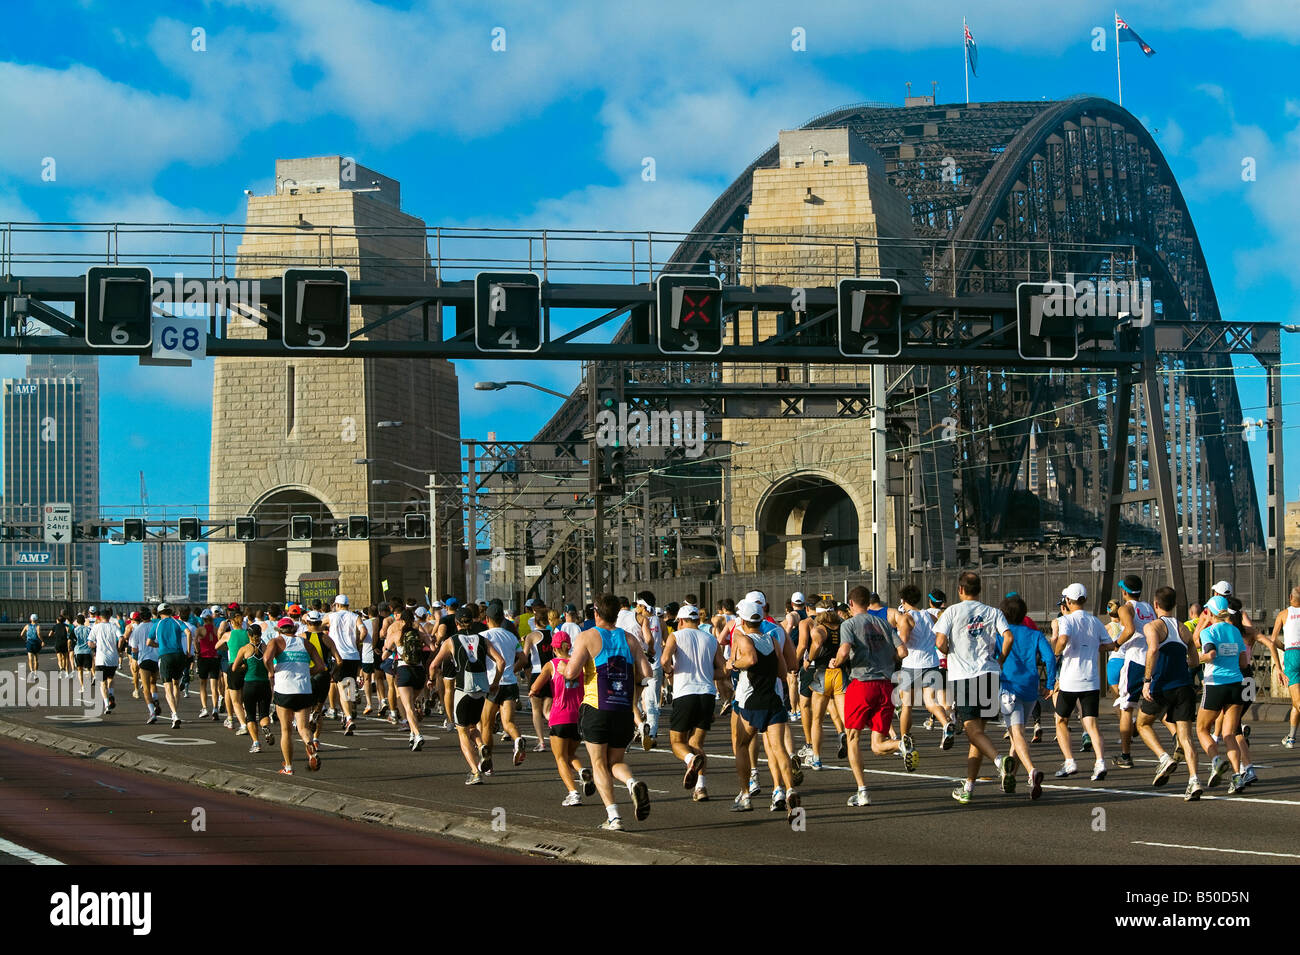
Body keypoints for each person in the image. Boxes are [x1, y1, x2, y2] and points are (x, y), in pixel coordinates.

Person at [562, 593, 654, 831]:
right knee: (616, 762)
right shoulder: (629, 639)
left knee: (599, 764)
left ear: (596, 613)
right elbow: (647, 672)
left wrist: (563, 667)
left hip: (597, 707)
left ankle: (614, 817)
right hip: (623, 709)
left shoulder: (587, 637)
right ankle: (632, 782)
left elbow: (571, 673)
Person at [933, 572, 1017, 804]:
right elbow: (1008, 637)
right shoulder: (993, 612)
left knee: (972, 731)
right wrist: (1000, 659)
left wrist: (950, 651)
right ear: (979, 589)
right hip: (990, 674)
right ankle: (969, 786)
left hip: (965, 676)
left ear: (960, 589)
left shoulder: (951, 611)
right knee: (978, 734)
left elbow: (939, 642)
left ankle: (1000, 761)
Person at [833, 586, 915, 809]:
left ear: (851, 603)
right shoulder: (883, 624)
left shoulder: (849, 624)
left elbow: (843, 651)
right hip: (886, 685)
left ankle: (862, 791)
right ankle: (901, 745)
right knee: (878, 745)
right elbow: (903, 652)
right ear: (868, 602)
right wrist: (885, 661)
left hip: (862, 684)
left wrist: (836, 662)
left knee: (852, 738)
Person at [729, 599, 802, 820]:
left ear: (742, 619)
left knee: (741, 745)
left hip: (751, 701)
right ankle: (788, 789)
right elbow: (783, 672)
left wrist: (734, 664)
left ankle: (745, 795)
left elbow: (749, 659)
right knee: (778, 749)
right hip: (774, 700)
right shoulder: (772, 638)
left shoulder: (741, 637)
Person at [1138, 587, 1202, 799]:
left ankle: (1164, 757)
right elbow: (1194, 660)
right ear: (1174, 605)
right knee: (1186, 737)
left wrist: (1147, 681)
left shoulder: (1152, 626)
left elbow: (1153, 650)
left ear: (1156, 605)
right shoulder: (1184, 629)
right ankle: (1194, 781)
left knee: (1142, 724)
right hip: (1184, 686)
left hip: (1162, 686)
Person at [429, 606, 505, 784]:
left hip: (463, 688)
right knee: (472, 726)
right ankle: (482, 746)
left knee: (461, 730)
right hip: (482, 689)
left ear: (456, 624)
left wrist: (431, 680)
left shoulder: (451, 641)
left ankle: (475, 771)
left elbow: (433, 665)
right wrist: (495, 683)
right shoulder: (482, 639)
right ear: (472, 621)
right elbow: (501, 661)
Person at [1051, 583, 1115, 782]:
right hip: (1091, 680)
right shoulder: (1095, 621)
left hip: (1070, 680)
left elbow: (1062, 640)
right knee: (1091, 723)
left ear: (1068, 601)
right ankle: (1100, 762)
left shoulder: (1066, 620)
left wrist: (1056, 649)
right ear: (1084, 600)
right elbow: (1108, 645)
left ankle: (1069, 761)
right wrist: (1092, 647)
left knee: (1061, 720)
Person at [661, 604, 723, 802]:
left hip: (685, 693)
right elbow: (724, 670)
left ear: (680, 621)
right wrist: (706, 673)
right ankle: (701, 787)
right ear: (697, 620)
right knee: (696, 743)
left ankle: (690, 760)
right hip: (707, 695)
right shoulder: (711, 639)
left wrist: (669, 672)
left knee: (677, 742)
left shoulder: (676, 636)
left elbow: (664, 660)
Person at [998, 595, 1057, 800]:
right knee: (1018, 735)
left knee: (1017, 734)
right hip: (1031, 689)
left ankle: (1031, 771)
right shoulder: (1035, 634)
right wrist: (1050, 684)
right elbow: (1050, 658)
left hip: (1008, 688)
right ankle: (1009, 778)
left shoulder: (1000, 635)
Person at [529, 627, 594, 806]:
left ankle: (573, 793)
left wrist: (532, 693)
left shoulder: (552, 664)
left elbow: (535, 687)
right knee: (570, 753)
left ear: (554, 648)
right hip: (578, 715)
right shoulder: (579, 663)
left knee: (560, 758)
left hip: (559, 714)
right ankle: (582, 771)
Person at [1193, 595, 1251, 793]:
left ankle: (1216, 761)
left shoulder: (1208, 631)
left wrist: (1194, 659)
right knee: (1229, 734)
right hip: (1236, 684)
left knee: (1202, 729)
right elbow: (1244, 663)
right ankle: (1237, 777)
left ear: (1209, 612)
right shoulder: (1235, 631)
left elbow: (1210, 655)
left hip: (1216, 684)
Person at [263, 617, 328, 774]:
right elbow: (321, 666)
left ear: (279, 630)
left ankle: (288, 767)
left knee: (286, 731)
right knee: (303, 727)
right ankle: (309, 744)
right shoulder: (305, 643)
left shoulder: (276, 641)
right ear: (293, 629)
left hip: (284, 690)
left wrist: (271, 672)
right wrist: (307, 672)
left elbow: (266, 658)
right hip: (304, 689)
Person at [896, 584, 954, 749]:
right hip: (931, 663)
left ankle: (905, 740)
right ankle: (945, 724)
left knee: (907, 704)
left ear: (903, 600)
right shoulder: (930, 616)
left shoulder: (906, 617)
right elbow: (939, 637)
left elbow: (904, 640)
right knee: (931, 702)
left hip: (912, 664)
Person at [1112, 575, 1158, 769]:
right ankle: (1176, 738)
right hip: (1152, 660)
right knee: (1156, 703)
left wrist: (1116, 643)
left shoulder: (1125, 608)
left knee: (1126, 707)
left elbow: (1129, 629)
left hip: (1135, 661)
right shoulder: (1148, 607)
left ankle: (1125, 755)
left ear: (1124, 592)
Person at [480, 601, 528, 767]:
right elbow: (524, 659)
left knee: (487, 723)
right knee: (508, 722)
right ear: (502, 619)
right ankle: (518, 739)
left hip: (493, 683)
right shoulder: (511, 636)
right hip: (510, 683)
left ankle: (487, 759)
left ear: (487, 619)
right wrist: (513, 670)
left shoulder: (484, 636)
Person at [802, 600, 848, 769]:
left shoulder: (819, 629)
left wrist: (809, 659)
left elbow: (817, 643)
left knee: (817, 720)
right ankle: (850, 744)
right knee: (845, 718)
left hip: (823, 673)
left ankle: (817, 757)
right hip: (840, 673)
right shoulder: (843, 626)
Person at [150, 603, 192, 729]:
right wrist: (189, 651)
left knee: (167, 686)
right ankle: (175, 712)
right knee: (176, 684)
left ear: (159, 613)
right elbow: (188, 633)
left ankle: (174, 714)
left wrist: (158, 646)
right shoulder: (177, 621)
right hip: (179, 655)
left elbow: (149, 641)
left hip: (165, 656)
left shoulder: (157, 624)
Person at [233, 623, 274, 753]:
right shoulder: (266, 648)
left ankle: (256, 743)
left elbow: (234, 668)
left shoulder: (245, 649)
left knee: (250, 716)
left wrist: (243, 667)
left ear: (248, 635)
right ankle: (265, 727)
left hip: (249, 684)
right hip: (264, 684)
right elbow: (271, 665)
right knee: (264, 713)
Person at [326, 595, 363, 735]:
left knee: (342, 688)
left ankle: (348, 718)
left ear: (337, 604)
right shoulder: (355, 617)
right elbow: (363, 630)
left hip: (339, 656)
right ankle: (346, 713)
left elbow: (319, 623)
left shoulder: (332, 616)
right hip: (353, 655)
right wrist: (357, 641)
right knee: (348, 686)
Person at [1269, 586, 1300, 748]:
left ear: (1290, 597)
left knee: (1298, 701)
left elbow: (1273, 640)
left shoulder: (1283, 614)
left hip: (1292, 654)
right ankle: (1291, 738)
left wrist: (1285, 648)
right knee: (1296, 703)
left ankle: (1290, 738)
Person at [87, 608, 119, 715]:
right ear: (109, 617)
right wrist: (118, 648)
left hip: (100, 660)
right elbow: (122, 638)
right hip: (113, 659)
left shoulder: (96, 627)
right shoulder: (114, 626)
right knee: (111, 678)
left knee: (102, 683)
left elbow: (90, 643)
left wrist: (96, 646)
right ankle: (111, 694)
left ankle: (106, 705)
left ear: (100, 617)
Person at [72, 614, 94, 697]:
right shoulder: (88, 629)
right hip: (87, 651)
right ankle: (88, 683)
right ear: (84, 621)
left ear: (77, 622)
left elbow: (71, 640)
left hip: (78, 651)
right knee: (88, 669)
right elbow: (92, 639)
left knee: (79, 669)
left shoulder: (74, 630)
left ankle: (82, 686)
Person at [23, 614, 43, 680]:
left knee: (30, 658)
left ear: (30, 619)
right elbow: (39, 634)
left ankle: (31, 671)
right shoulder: (38, 626)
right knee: (36, 659)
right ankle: (35, 674)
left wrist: (25, 640)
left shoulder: (27, 626)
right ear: (36, 619)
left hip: (29, 643)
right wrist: (42, 641)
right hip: (36, 643)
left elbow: (21, 634)